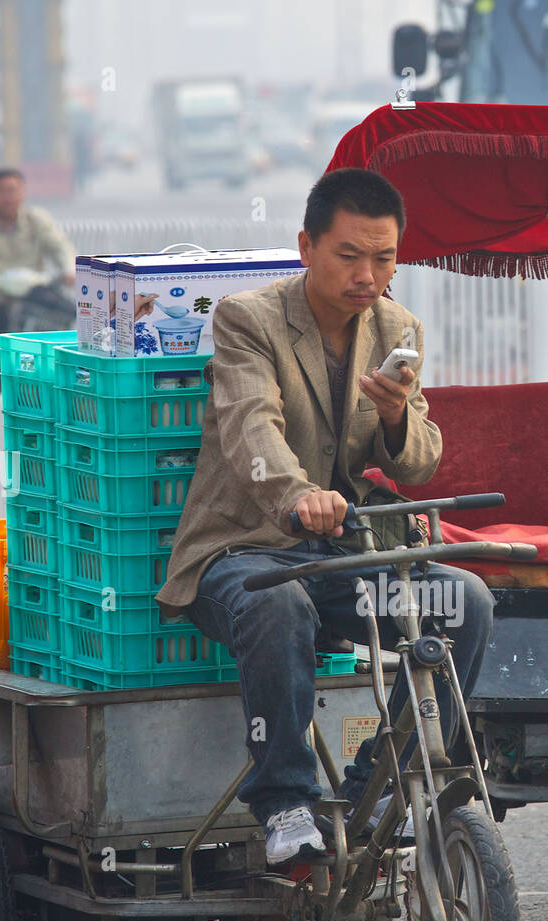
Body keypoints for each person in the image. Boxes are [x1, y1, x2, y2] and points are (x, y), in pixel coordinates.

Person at [158, 168, 495, 865]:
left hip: (343, 555)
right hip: (243, 551)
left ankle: (383, 781)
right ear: (307, 246)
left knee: (465, 603)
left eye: (384, 257)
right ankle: (284, 801)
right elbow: (252, 427)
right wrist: (295, 495)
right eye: (350, 254)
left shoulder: (398, 327)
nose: (367, 274)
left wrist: (399, 415)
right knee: (280, 606)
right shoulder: (248, 319)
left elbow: (419, 463)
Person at [0, 167, 75, 389]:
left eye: (14, 191)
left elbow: (60, 247)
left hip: (33, 300)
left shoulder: (36, 220)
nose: (9, 198)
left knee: (65, 320)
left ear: (22, 193)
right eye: (3, 192)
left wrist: (68, 269)